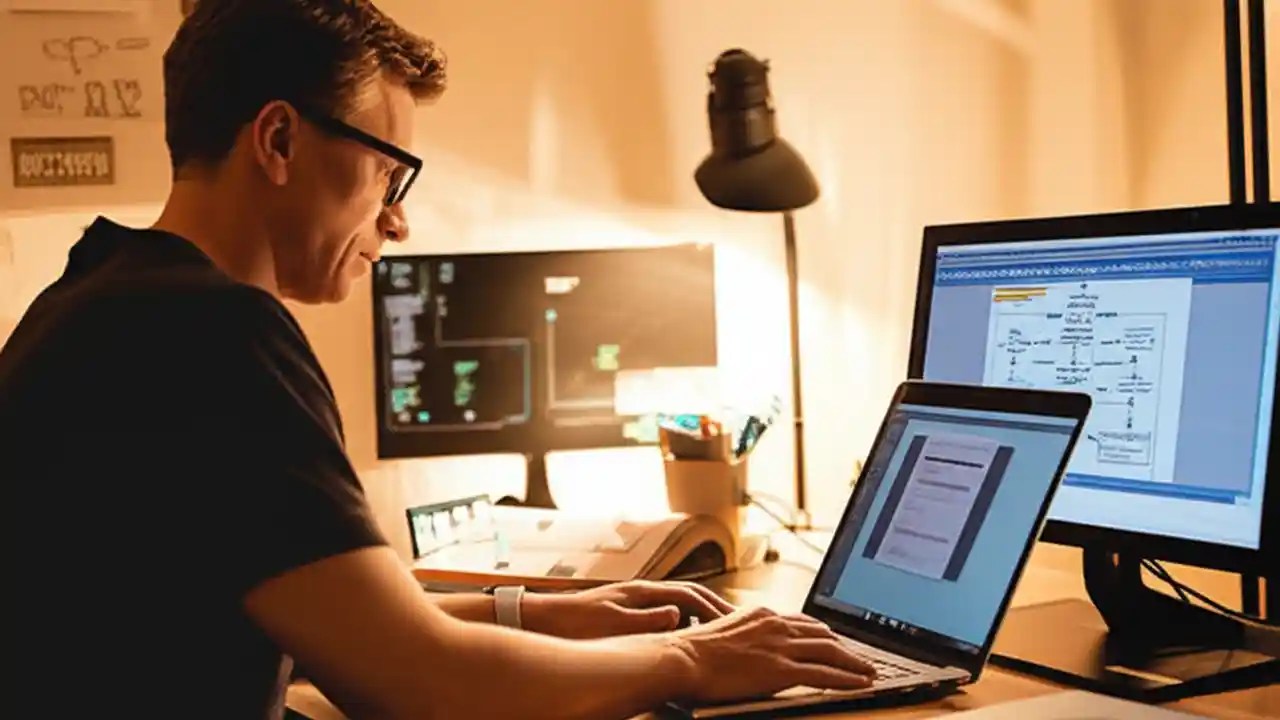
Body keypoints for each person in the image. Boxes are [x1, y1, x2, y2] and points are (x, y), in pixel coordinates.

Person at [0, 2, 875, 718]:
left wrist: (537, 612)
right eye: (391, 174)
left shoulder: (103, 293)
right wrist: (687, 659)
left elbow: (329, 621)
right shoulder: (211, 336)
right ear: (278, 141)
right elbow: (422, 685)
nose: (397, 221)